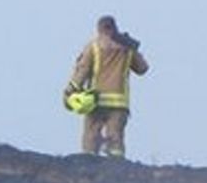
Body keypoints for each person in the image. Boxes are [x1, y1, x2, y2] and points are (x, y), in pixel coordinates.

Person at [64, 15, 149, 157]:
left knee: (91, 138)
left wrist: (70, 90)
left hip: (95, 102)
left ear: (99, 29)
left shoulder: (93, 46)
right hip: (119, 103)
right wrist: (134, 49)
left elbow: (82, 70)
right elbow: (143, 69)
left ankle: (89, 168)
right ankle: (116, 169)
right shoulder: (127, 48)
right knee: (116, 139)